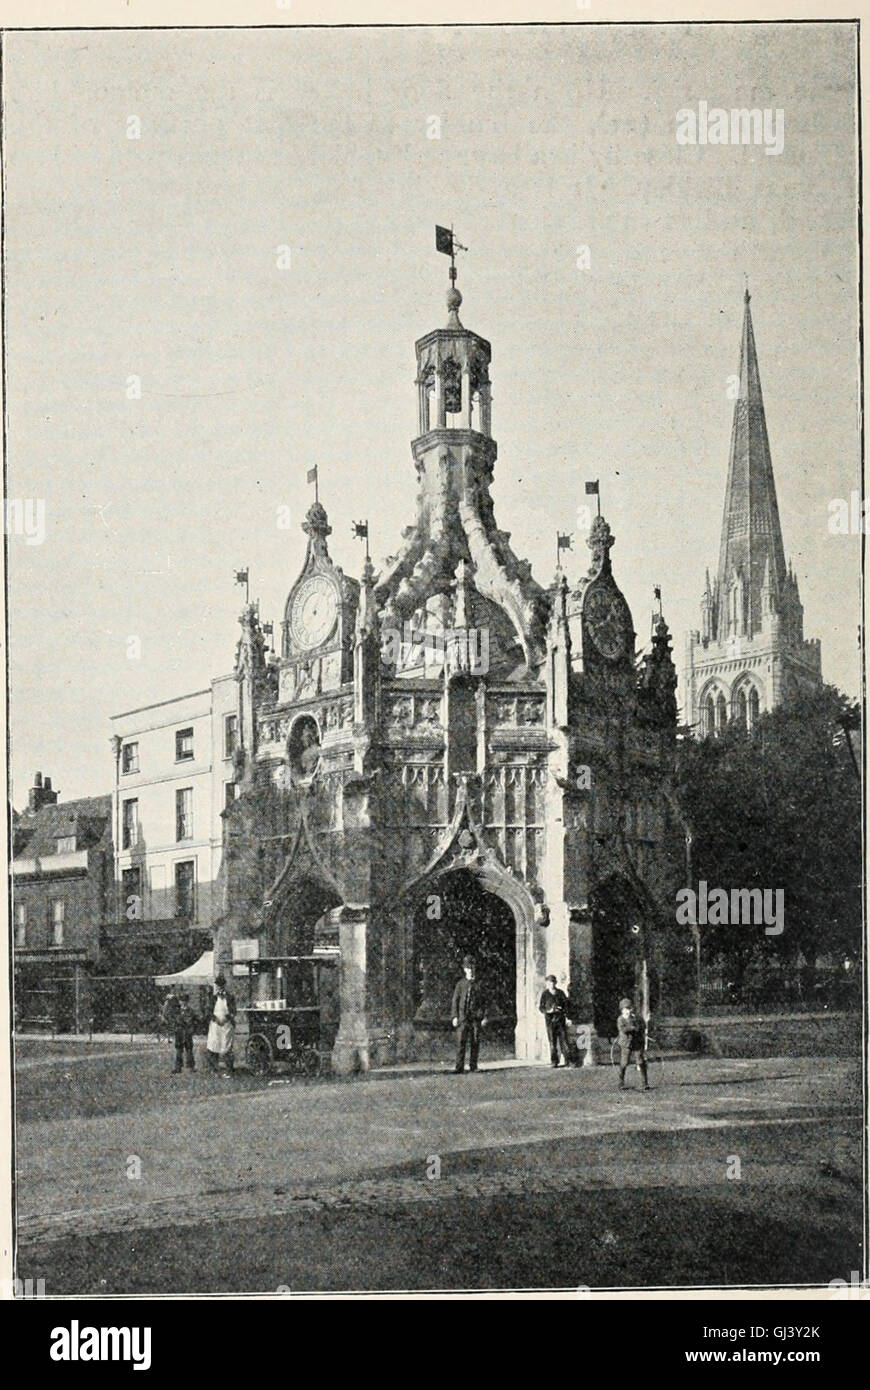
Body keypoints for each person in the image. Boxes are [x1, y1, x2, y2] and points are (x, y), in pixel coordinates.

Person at [451, 955, 487, 1074]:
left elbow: (484, 1002)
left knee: (475, 1041)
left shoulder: (479, 985)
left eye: (472, 968)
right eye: (468, 968)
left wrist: (483, 1016)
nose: (470, 970)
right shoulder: (460, 985)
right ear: (464, 970)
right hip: (463, 1018)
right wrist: (454, 1016)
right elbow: (455, 1001)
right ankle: (459, 1067)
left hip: (475, 1018)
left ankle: (473, 1065)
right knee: (461, 1041)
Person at [616, 996, 650, 1091]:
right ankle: (621, 1082)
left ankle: (645, 1083)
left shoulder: (637, 1017)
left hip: (637, 1043)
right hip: (626, 1044)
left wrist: (638, 1027)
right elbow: (623, 1029)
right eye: (625, 1009)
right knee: (624, 1063)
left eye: (629, 1008)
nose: (628, 1011)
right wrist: (633, 1027)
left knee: (640, 1061)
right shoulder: (620, 1019)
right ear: (622, 1010)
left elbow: (643, 1025)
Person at [206, 973, 237, 1075]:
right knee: (214, 1045)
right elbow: (209, 1012)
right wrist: (216, 1020)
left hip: (227, 1025)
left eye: (221, 985)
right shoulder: (213, 998)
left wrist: (226, 1018)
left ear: (224, 985)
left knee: (227, 1046)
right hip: (215, 1025)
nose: (220, 987)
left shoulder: (230, 997)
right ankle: (214, 1069)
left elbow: (233, 1011)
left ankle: (229, 1069)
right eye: (218, 985)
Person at [539, 974, 572, 1067]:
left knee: (564, 1041)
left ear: (556, 983)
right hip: (550, 1022)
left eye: (553, 982)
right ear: (547, 983)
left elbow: (566, 1006)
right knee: (552, 1042)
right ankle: (554, 1061)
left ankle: (567, 1061)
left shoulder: (560, 993)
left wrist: (563, 1011)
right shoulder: (545, 994)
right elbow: (541, 1008)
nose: (551, 984)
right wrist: (549, 1010)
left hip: (560, 1020)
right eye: (549, 982)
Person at [172, 992, 196, 1074]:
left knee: (189, 1049)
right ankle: (178, 1067)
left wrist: (185, 1023)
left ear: (187, 1001)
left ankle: (191, 1066)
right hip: (179, 1032)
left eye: (185, 1000)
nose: (183, 1002)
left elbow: (190, 1020)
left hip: (187, 1032)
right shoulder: (177, 1011)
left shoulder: (190, 1011)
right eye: (182, 1000)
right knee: (179, 1050)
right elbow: (175, 1020)